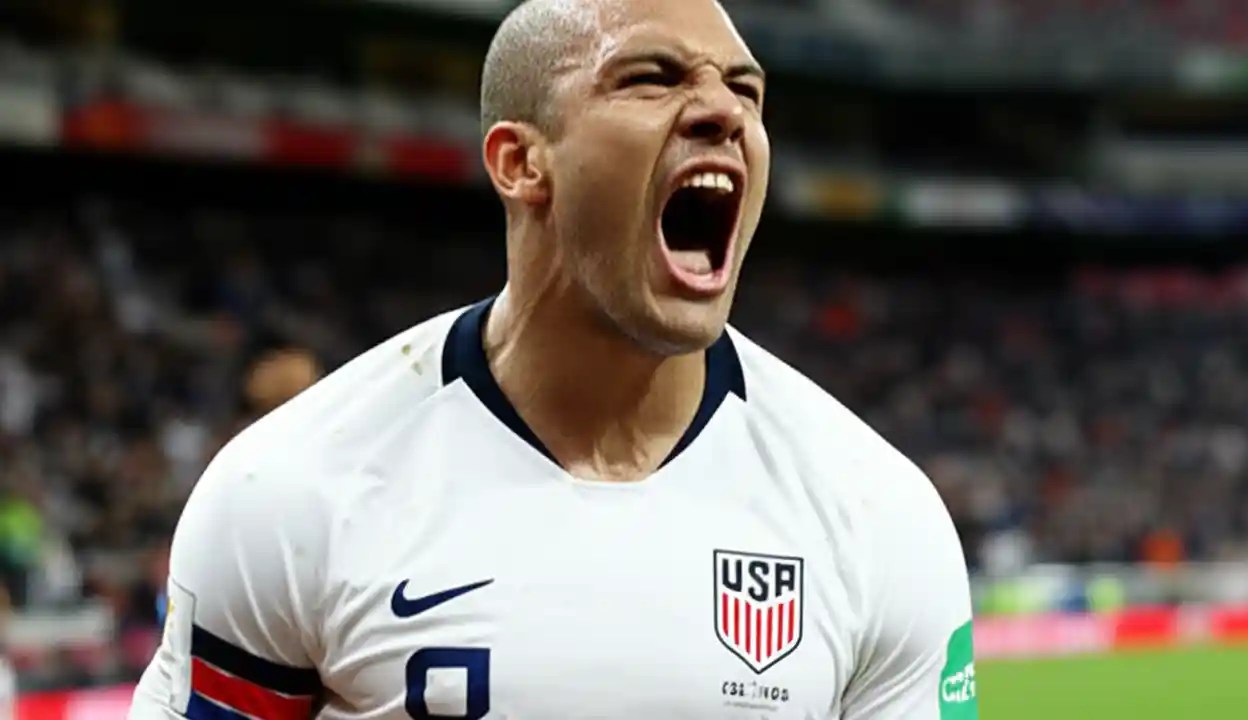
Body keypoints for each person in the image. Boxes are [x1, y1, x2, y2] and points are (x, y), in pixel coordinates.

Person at [129, 0, 977, 717]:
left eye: (746, 89)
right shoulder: (289, 492)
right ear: (520, 162)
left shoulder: (880, 515)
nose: (725, 110)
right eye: (653, 77)